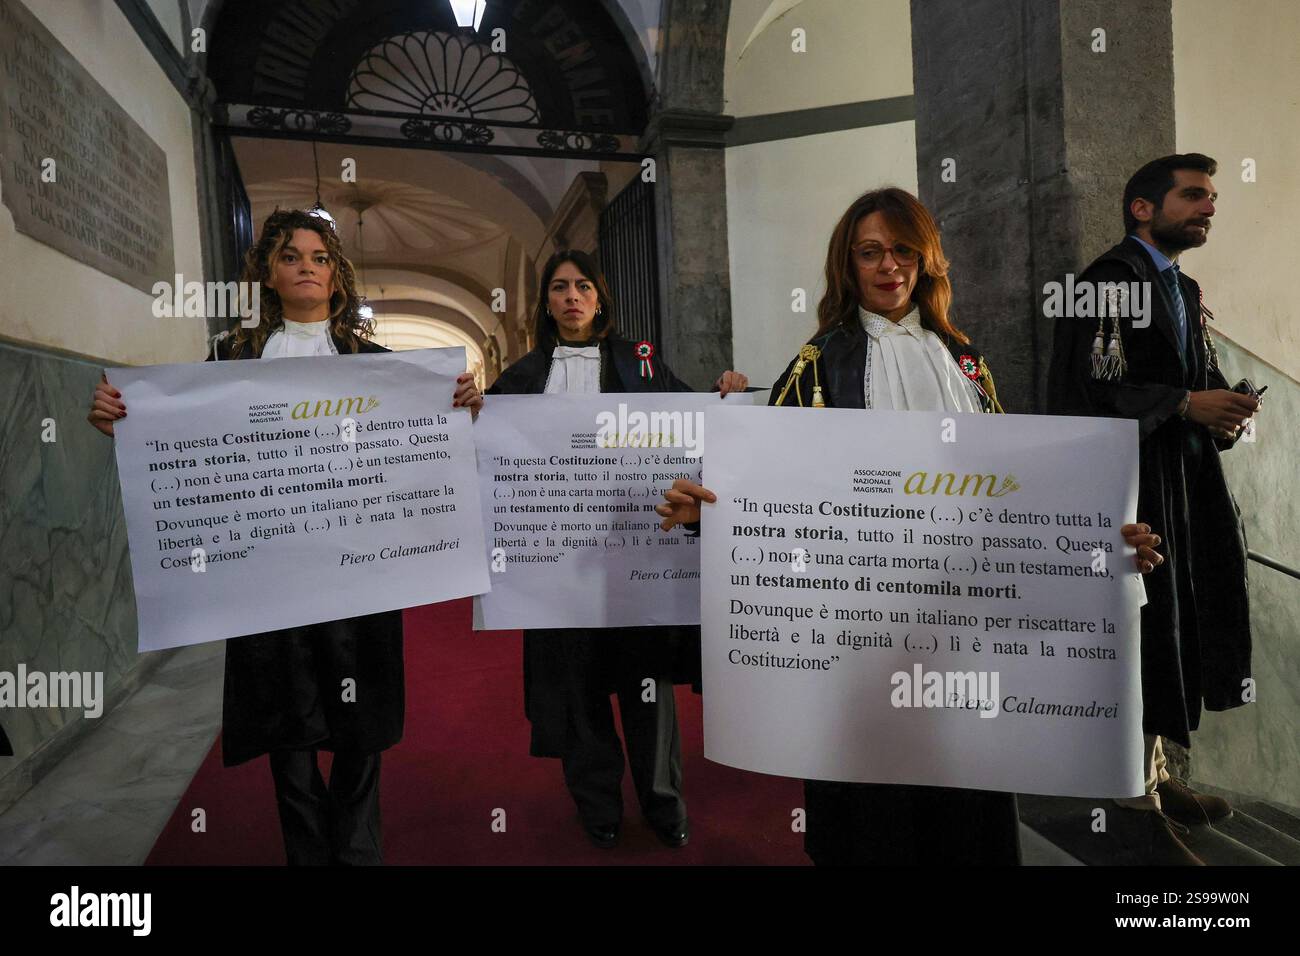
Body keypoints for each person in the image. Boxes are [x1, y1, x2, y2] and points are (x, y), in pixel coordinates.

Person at [657, 187, 1165, 865]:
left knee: (968, 812)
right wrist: (706, 515)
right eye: (870, 252)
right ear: (849, 264)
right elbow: (769, 498)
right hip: (857, 635)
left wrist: (1106, 536)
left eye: (902, 249)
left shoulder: (966, 362)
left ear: (926, 259)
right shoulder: (818, 364)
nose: (888, 265)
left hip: (966, 628)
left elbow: (1023, 499)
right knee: (871, 822)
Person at [88, 209, 482, 865]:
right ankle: (306, 849)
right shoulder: (229, 357)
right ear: (268, 274)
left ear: (336, 276)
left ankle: (356, 846)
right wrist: (120, 422)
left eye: (320, 257)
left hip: (360, 570)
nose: (307, 266)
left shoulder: (375, 363)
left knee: (360, 713)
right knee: (285, 712)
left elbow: (425, 445)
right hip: (269, 573)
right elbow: (182, 440)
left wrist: (462, 406)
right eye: (292, 256)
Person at [485, 248, 747, 849]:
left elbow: (693, 422)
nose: (571, 296)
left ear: (600, 297)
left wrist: (727, 395)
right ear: (546, 302)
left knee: (645, 686)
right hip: (554, 567)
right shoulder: (522, 377)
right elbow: (485, 456)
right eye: (558, 287)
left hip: (636, 559)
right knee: (577, 692)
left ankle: (664, 802)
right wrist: (470, 407)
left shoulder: (641, 363)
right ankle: (597, 802)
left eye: (582, 286)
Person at [1047, 153, 1259, 865]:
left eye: (1212, 197)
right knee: (1138, 633)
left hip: (1183, 484)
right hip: (1129, 487)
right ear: (1143, 207)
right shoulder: (1106, 282)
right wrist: (1182, 404)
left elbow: (1194, 379)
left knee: (1175, 630)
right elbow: (1083, 389)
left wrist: (1226, 408)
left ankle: (1160, 777)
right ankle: (1130, 804)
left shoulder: (1180, 284)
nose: (1208, 208)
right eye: (1194, 196)